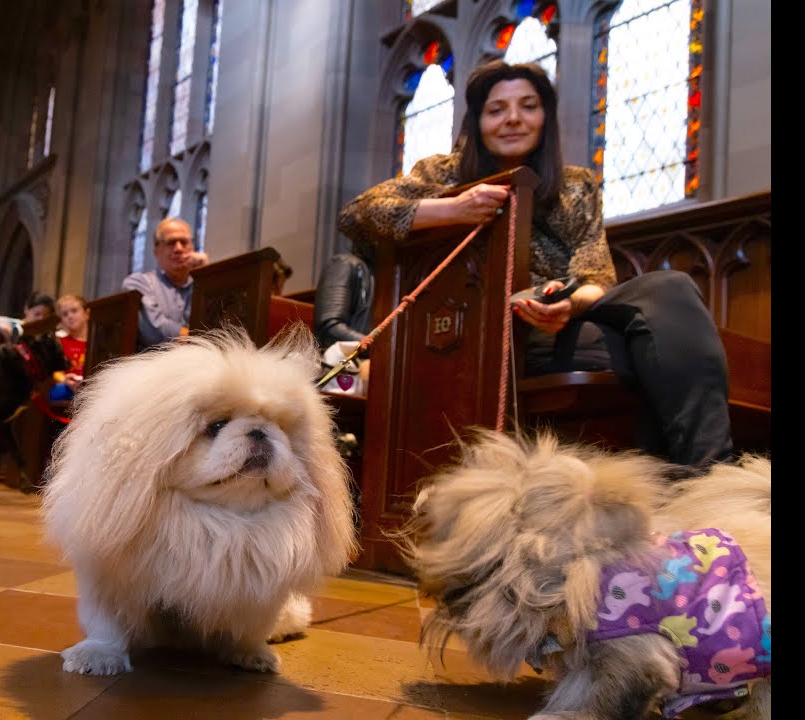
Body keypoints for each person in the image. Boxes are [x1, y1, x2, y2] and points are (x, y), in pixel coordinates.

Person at [336, 60, 735, 473]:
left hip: (561, 315)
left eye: (528, 106)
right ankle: (707, 479)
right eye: (496, 110)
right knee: (655, 349)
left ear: (545, 116)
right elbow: (357, 214)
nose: (513, 119)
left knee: (670, 288)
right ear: (478, 121)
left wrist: (567, 307)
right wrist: (452, 208)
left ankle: (704, 474)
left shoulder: (576, 185)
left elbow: (596, 277)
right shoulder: (443, 173)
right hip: (485, 327)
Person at [121, 217, 210, 350]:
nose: (179, 249)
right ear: (156, 251)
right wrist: (202, 342)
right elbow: (154, 333)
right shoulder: (138, 283)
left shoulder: (201, 286)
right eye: (171, 242)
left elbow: (217, 322)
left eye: (184, 242)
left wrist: (206, 275)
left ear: (192, 247)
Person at [313, 239, 375, 351]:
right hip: (346, 362)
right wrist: (377, 348)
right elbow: (329, 327)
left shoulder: (385, 277)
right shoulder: (344, 264)